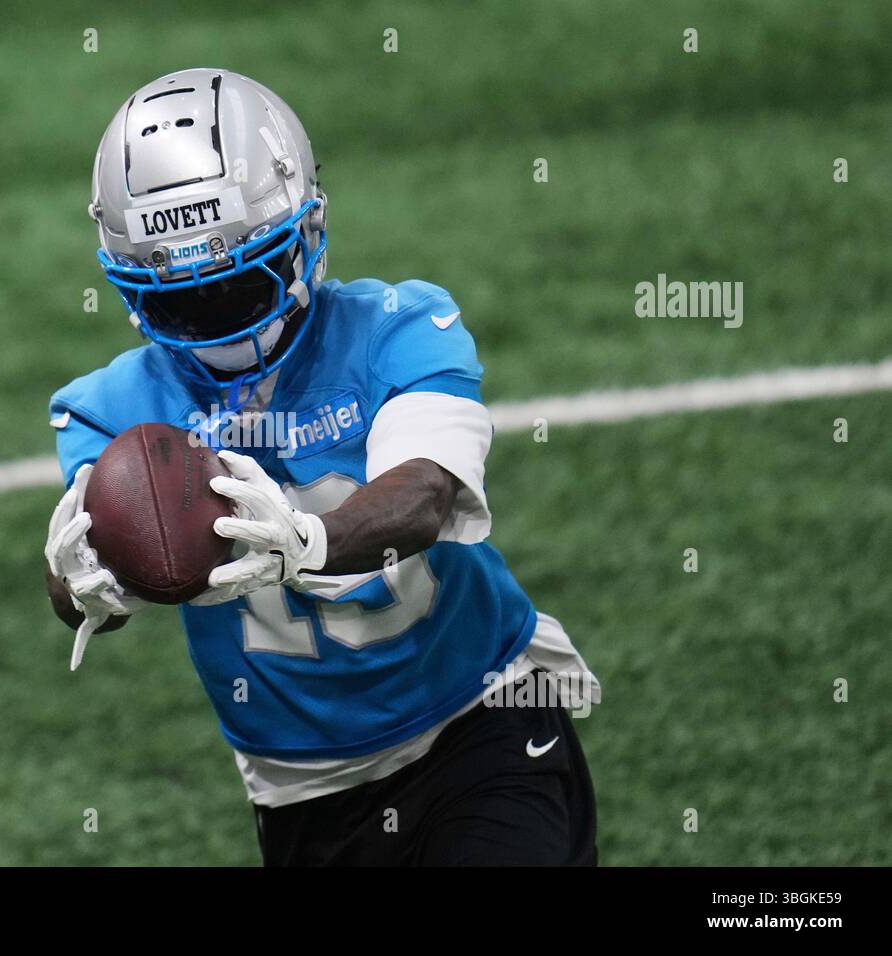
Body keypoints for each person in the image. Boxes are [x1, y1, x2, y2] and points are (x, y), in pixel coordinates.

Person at [44, 68, 599, 865]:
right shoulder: (111, 409)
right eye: (183, 299)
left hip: (482, 719)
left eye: (238, 281)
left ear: (305, 230)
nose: (215, 319)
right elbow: (82, 587)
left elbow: (424, 495)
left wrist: (305, 541)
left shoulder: (399, 326)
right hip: (304, 784)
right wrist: (82, 577)